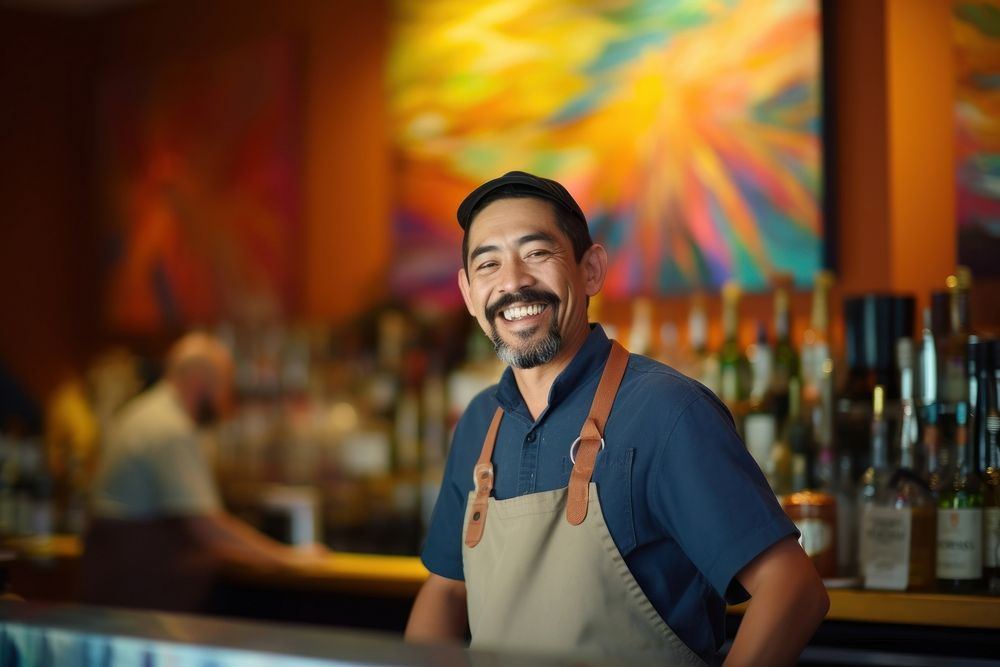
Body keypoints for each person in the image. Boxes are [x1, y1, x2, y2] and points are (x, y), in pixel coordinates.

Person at [404, 171, 829, 666]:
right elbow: (447, 592)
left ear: (591, 270)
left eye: (537, 253)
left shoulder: (668, 412)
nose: (513, 281)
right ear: (469, 293)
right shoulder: (481, 423)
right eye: (488, 263)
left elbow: (793, 590)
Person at [81, 332, 322, 612]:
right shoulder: (170, 427)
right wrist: (285, 558)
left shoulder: (146, 411)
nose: (226, 404)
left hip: (117, 587)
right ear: (199, 382)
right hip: (136, 593)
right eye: (224, 388)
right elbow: (206, 525)